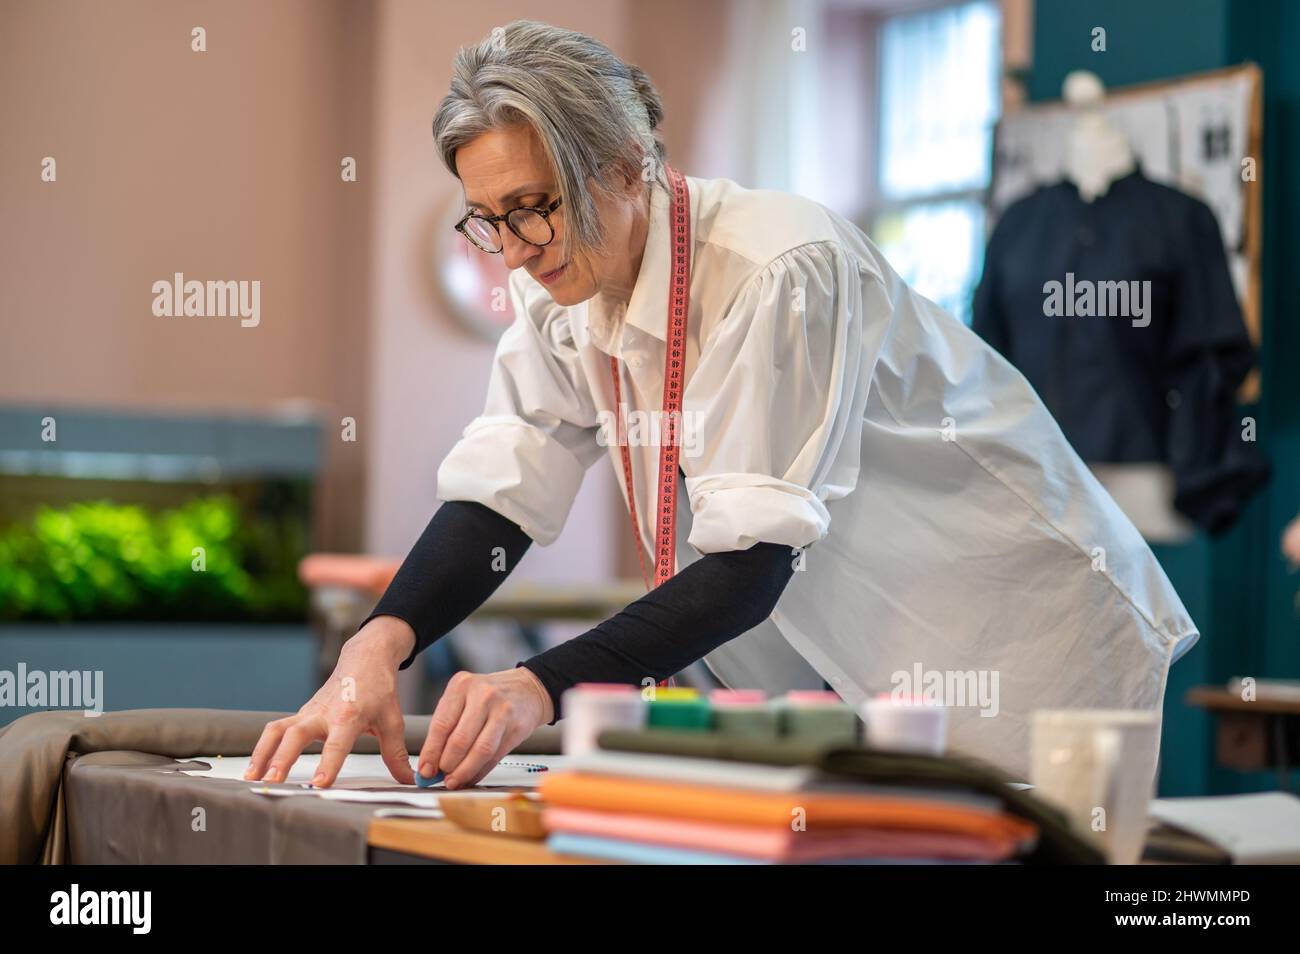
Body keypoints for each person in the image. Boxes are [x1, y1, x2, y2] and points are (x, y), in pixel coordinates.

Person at [246, 19, 1198, 792]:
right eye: (488, 219)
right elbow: (503, 488)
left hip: (1018, 632)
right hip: (849, 654)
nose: (516, 249)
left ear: (626, 166)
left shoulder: (778, 268)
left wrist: (538, 686)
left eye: (533, 205)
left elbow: (750, 565)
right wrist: (382, 640)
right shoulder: (561, 291)